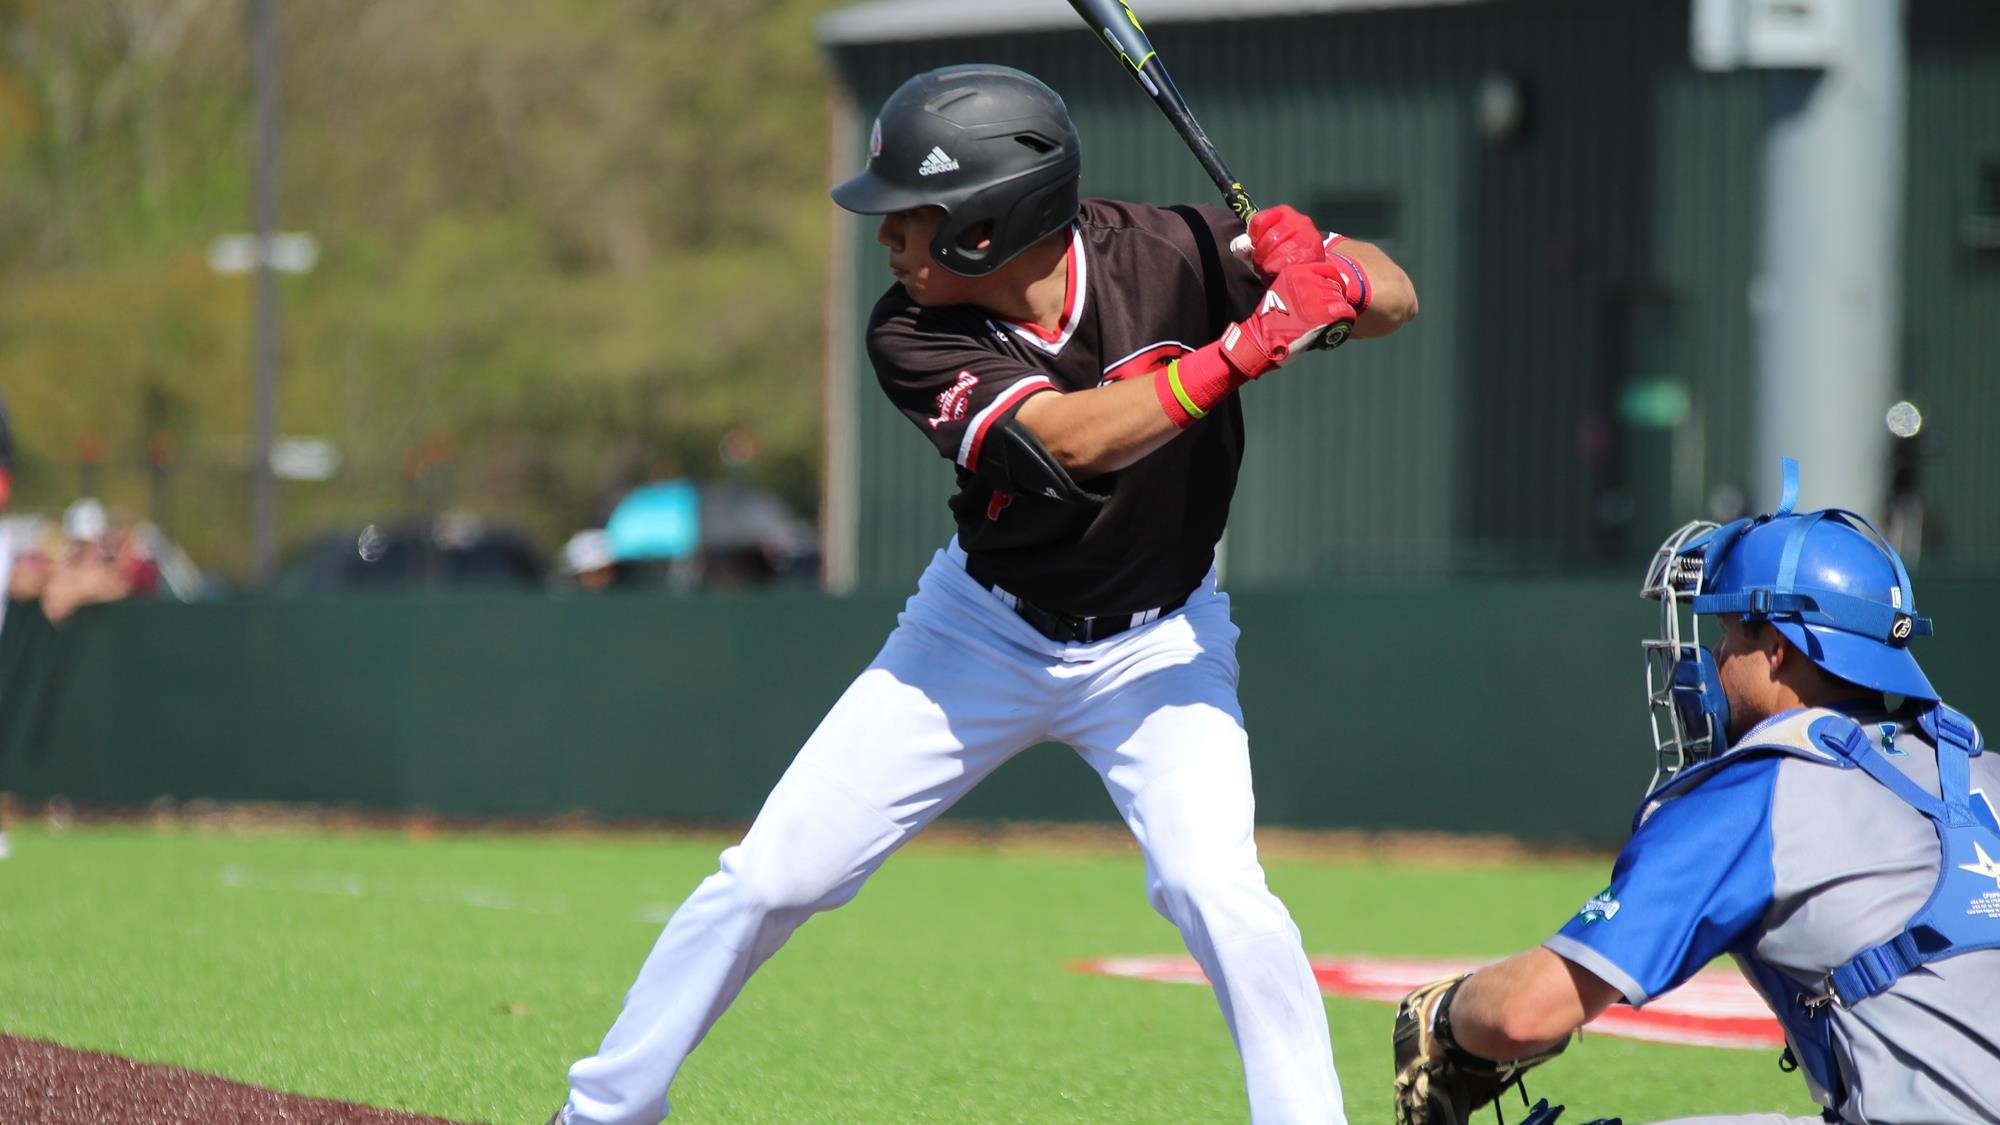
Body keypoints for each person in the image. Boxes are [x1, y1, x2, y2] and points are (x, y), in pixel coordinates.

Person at [551, 63, 1416, 1125]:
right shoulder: (908, 335)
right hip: (980, 633)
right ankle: (603, 1112)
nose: (885, 240)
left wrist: (1325, 267)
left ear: (984, 223)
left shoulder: (1170, 248)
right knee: (771, 877)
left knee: (1221, 898)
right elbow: (1075, 436)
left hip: (1162, 641)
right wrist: (1250, 343)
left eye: (908, 218)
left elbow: (1392, 296)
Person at [1389, 460, 2000, 1125]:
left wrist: (1445, 1016)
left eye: (1727, 631)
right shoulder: (1981, 766)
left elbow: (1524, 1012)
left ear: (1777, 646)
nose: (1711, 656)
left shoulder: (1766, 787)